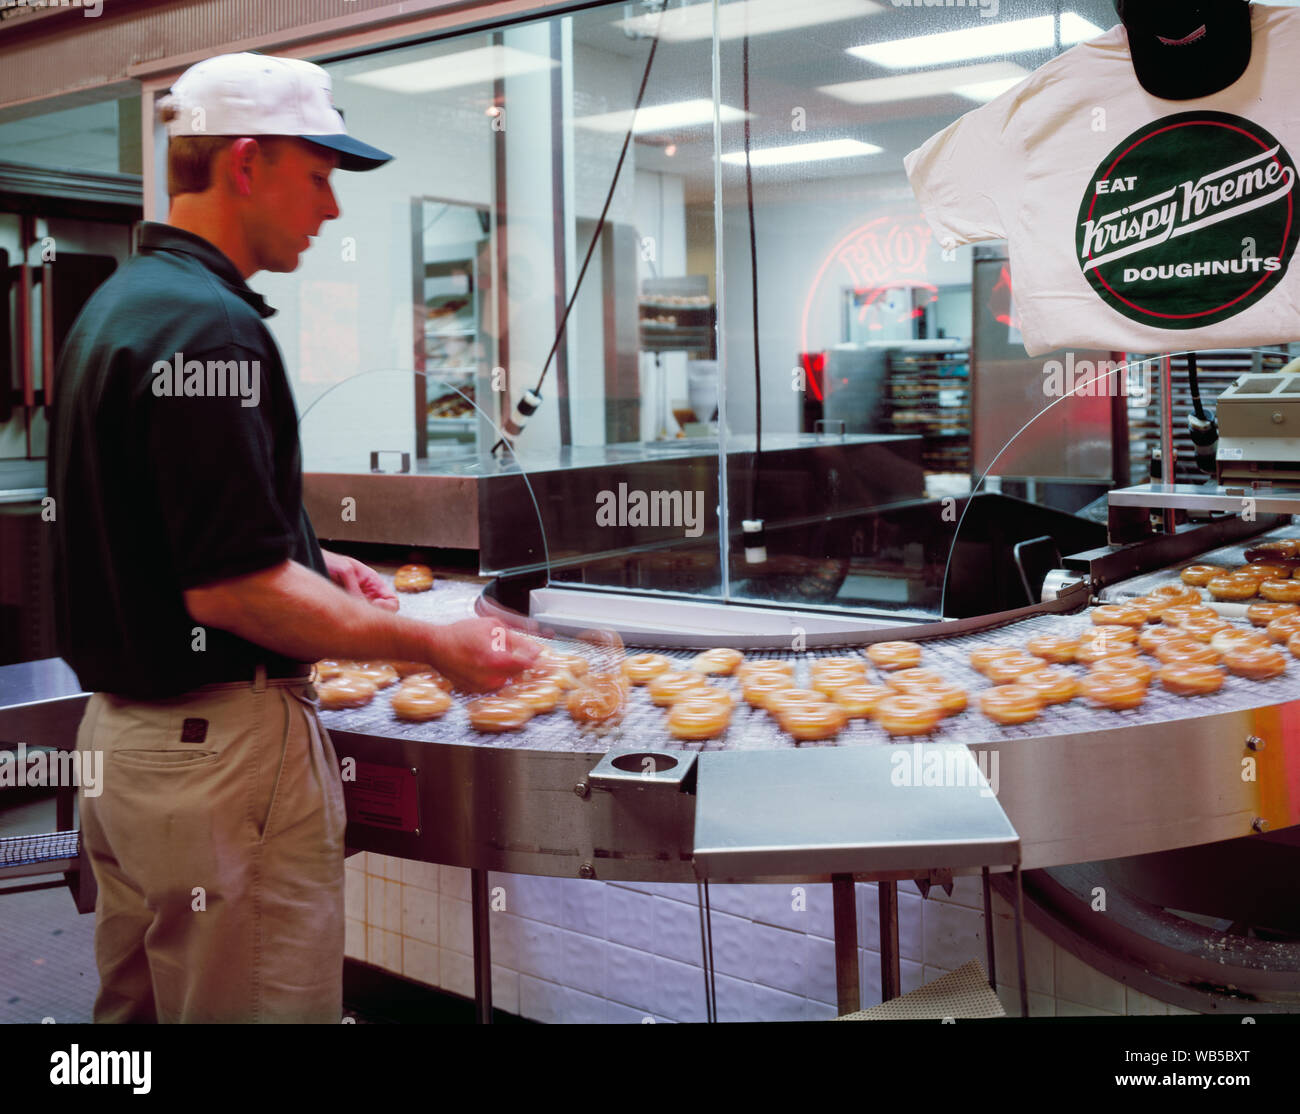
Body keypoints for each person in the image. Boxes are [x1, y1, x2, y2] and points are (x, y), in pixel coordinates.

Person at [46, 52, 538, 1023]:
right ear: (243, 163)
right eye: (317, 176)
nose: (332, 210)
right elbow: (233, 592)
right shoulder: (211, 328)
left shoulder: (122, 306)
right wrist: (430, 643)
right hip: (219, 762)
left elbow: (183, 528)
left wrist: (307, 557)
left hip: (125, 754)